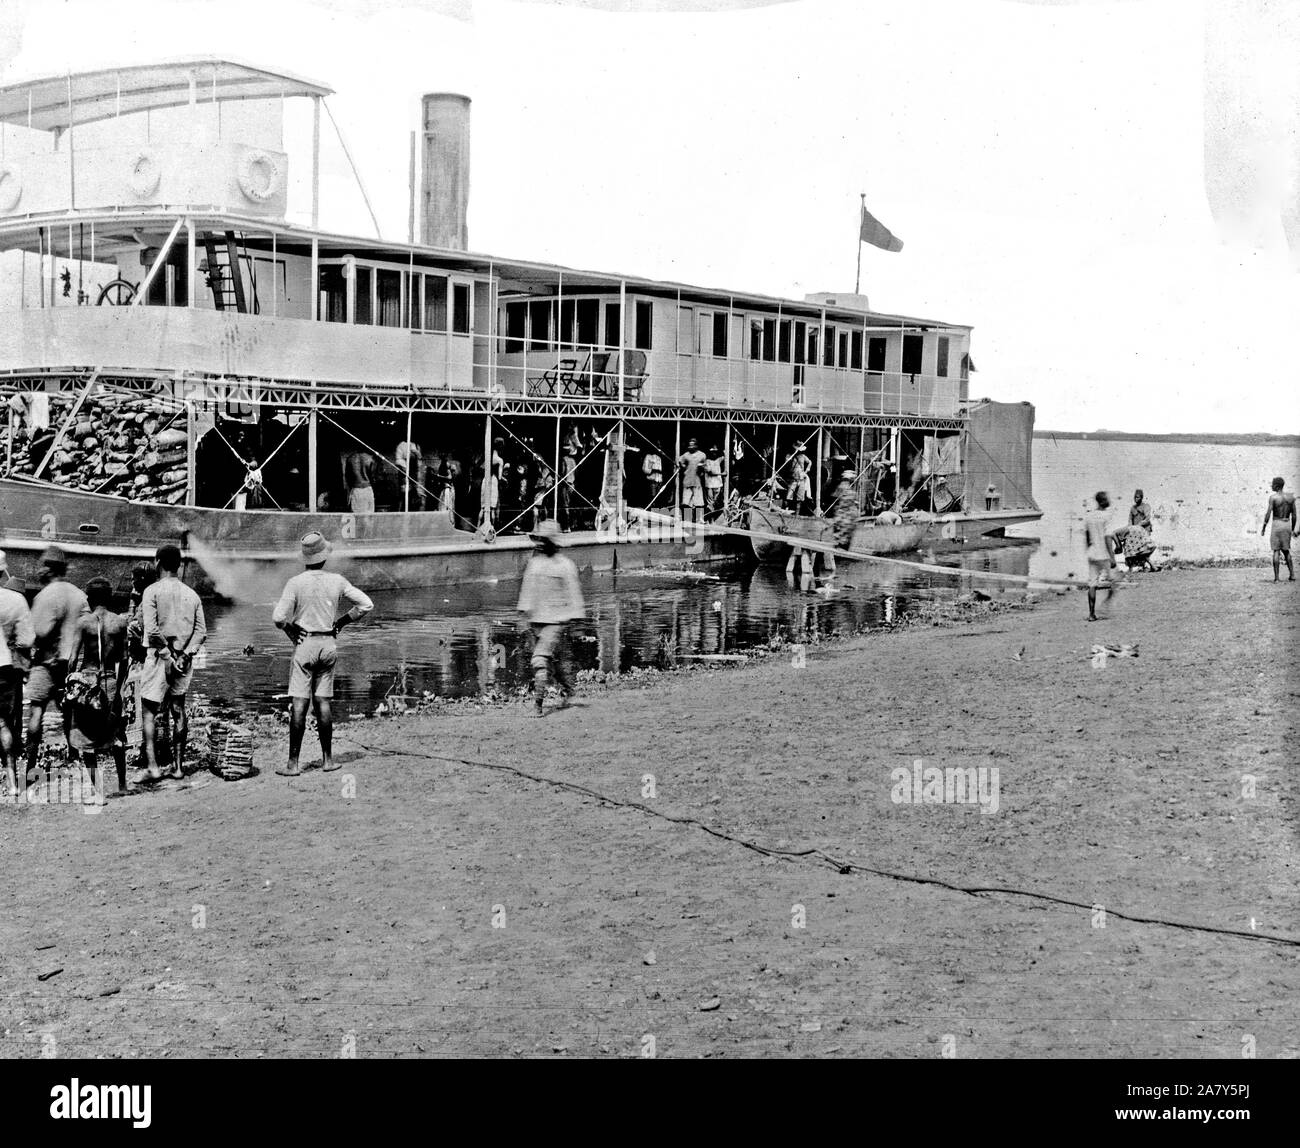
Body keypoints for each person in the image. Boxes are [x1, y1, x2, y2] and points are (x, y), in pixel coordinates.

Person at [271, 532, 374, 776]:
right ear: (325, 557)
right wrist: (342, 622)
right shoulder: (337, 580)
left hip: (305, 643)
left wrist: (289, 627)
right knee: (323, 703)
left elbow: (277, 617)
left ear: (305, 558)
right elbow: (366, 604)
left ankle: (293, 764)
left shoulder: (295, 583)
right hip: (328, 644)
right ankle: (328, 760)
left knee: (299, 703)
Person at [140, 544, 206, 781]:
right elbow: (201, 632)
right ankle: (179, 768)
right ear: (178, 565)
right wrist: (186, 655)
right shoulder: (193, 594)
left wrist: (168, 656)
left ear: (158, 563)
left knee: (148, 710)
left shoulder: (151, 591)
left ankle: (153, 767)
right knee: (178, 709)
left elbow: (152, 630)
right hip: (183, 660)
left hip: (160, 658)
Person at [26, 545, 88, 781]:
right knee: (70, 713)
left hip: (46, 662)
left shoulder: (45, 595)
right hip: (71, 663)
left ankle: (31, 769)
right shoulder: (79, 595)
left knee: (36, 712)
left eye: (43, 566)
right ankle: (75, 758)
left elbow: (38, 633)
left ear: (50, 570)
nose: (39, 570)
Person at [67, 577, 128, 798]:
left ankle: (98, 791)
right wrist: (120, 690)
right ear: (109, 597)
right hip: (110, 681)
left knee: (86, 739)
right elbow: (125, 661)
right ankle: (122, 785)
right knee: (117, 735)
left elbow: (73, 659)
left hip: (87, 683)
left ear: (89, 598)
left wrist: (69, 684)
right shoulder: (120, 623)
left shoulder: (83, 623)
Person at [516, 519, 584, 716]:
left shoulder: (565, 565)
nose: (539, 544)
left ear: (552, 542)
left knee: (539, 660)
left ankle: (538, 706)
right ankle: (570, 691)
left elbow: (574, 594)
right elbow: (526, 592)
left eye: (543, 540)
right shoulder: (534, 564)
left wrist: (577, 620)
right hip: (536, 620)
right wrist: (523, 617)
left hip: (556, 620)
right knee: (551, 663)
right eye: (538, 540)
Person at [0, 551, 34, 797]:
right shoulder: (15, 600)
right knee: (5, 724)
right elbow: (27, 640)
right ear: (2, 572)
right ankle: (12, 783)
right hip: (5, 667)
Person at [1084, 491, 1118, 622]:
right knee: (1113, 581)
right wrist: (1112, 557)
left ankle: (1092, 614)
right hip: (1103, 554)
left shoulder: (1089, 516)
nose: (1108, 500)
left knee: (1092, 584)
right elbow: (1107, 538)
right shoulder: (1107, 516)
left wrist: (1088, 550)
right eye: (1106, 499)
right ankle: (1105, 605)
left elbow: (1087, 538)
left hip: (1092, 553)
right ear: (1103, 501)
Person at [1261, 476, 1296, 582]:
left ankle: (1276, 578)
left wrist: (1264, 526)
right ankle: (1292, 575)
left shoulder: (1273, 498)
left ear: (1276, 486)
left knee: (1276, 551)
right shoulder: (1291, 498)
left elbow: (1268, 513)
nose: (1271, 486)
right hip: (1286, 524)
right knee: (1286, 551)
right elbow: (1294, 515)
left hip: (1277, 524)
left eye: (1272, 484)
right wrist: (1293, 529)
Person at [678, 437, 707, 525]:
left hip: (697, 481)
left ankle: (699, 520)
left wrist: (701, 468)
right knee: (686, 502)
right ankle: (687, 520)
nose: (691, 446)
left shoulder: (702, 455)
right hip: (687, 481)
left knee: (699, 501)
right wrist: (684, 467)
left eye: (693, 444)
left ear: (696, 445)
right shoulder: (685, 455)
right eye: (690, 444)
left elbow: (705, 467)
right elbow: (680, 461)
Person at [831, 469, 859, 551]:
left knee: (845, 527)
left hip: (846, 511)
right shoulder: (844, 487)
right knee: (844, 526)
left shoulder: (844, 487)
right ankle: (841, 544)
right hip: (844, 511)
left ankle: (841, 544)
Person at [344, 448, 377, 514]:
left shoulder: (350, 458)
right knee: (369, 518)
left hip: (356, 490)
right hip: (368, 489)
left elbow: (348, 478)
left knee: (357, 519)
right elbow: (373, 478)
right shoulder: (370, 459)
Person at [395, 437, 424, 511]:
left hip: (415, 474)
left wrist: (416, 452)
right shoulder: (401, 445)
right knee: (404, 495)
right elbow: (398, 461)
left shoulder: (417, 445)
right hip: (405, 474)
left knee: (416, 497)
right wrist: (406, 472)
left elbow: (420, 460)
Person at [786, 442, 813, 517]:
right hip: (792, 479)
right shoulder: (789, 456)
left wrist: (807, 470)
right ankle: (786, 512)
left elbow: (810, 462)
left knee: (799, 499)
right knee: (788, 497)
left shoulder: (803, 456)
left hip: (801, 479)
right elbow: (786, 463)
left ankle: (797, 515)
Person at [703, 445, 724, 519]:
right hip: (709, 484)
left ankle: (712, 517)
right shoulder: (707, 462)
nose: (714, 454)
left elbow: (724, 455)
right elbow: (711, 472)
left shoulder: (718, 460)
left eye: (715, 452)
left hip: (717, 484)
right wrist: (722, 474)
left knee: (715, 502)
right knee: (710, 502)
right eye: (712, 452)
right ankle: (709, 518)